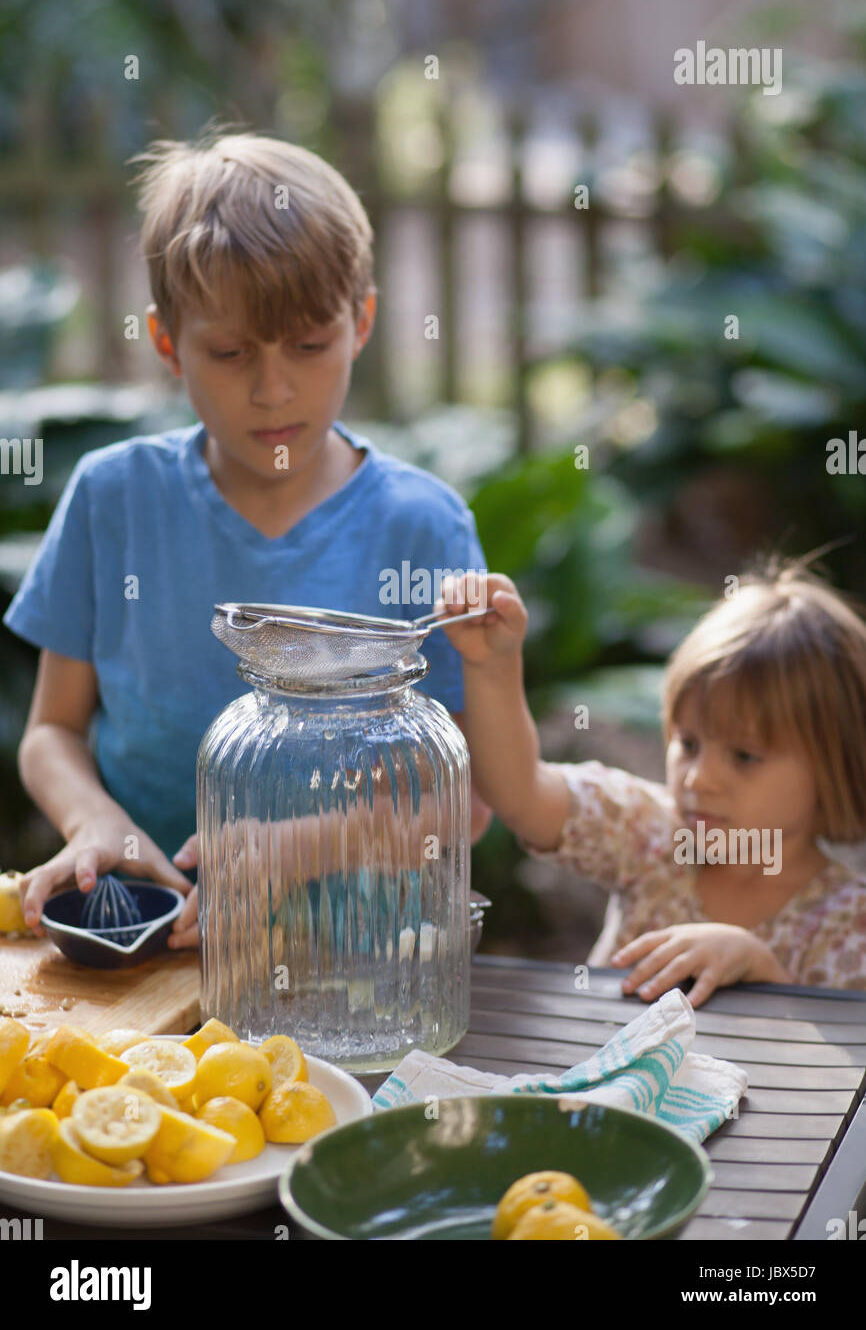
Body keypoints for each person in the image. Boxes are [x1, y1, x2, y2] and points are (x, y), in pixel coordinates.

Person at [4, 125, 492, 946]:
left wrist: (292, 851)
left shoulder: (423, 526)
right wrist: (97, 823)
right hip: (154, 947)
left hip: (364, 963)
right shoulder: (112, 499)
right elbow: (51, 730)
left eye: (310, 345)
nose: (273, 389)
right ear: (166, 343)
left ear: (362, 323)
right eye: (230, 353)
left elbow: (466, 795)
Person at [437, 558, 866, 1005]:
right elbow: (520, 796)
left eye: (744, 756)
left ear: (831, 769)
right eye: (690, 743)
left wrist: (760, 969)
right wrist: (492, 667)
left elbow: (829, 1069)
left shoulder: (849, 925)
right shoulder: (648, 833)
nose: (700, 779)